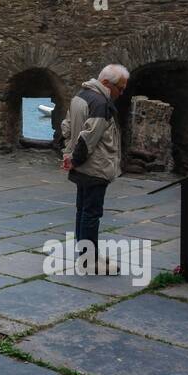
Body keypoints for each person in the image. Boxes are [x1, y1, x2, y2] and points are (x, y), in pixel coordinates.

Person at [61, 64, 129, 273]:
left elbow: (66, 127)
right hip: (95, 166)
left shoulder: (80, 96)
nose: (122, 92)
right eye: (120, 88)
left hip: (83, 166)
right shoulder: (101, 103)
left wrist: (68, 154)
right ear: (107, 83)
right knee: (91, 213)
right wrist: (76, 159)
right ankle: (89, 261)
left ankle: (87, 253)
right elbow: (88, 137)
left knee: (83, 211)